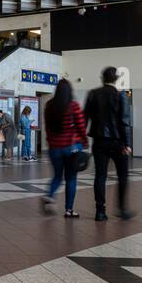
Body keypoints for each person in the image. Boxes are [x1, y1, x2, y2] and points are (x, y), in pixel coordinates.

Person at [84, 67, 133, 221]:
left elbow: (85, 118)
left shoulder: (93, 94)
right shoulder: (121, 95)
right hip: (118, 142)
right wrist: (127, 144)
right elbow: (124, 122)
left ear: (102, 78)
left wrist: (82, 139)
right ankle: (122, 209)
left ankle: (100, 211)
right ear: (116, 79)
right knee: (122, 176)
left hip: (99, 141)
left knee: (100, 176)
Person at [42, 79, 86, 218]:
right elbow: (81, 126)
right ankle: (69, 210)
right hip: (71, 148)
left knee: (57, 176)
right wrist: (85, 141)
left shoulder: (49, 106)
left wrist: (51, 142)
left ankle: (50, 196)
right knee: (71, 178)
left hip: (54, 148)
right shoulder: (73, 106)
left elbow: (47, 128)